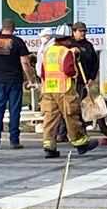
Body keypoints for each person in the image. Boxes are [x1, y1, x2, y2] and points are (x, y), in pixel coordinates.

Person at [38, 28, 99, 158]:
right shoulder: (66, 52)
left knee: (50, 118)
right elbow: (69, 70)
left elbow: (43, 72)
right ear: (66, 40)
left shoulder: (48, 51)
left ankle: (49, 146)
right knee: (71, 115)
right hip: (64, 89)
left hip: (48, 89)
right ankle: (80, 143)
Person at [0, 19, 36, 150]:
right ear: (13, 28)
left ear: (2, 27)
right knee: (14, 110)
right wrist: (30, 79)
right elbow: (25, 63)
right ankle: (14, 141)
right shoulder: (18, 42)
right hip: (14, 80)